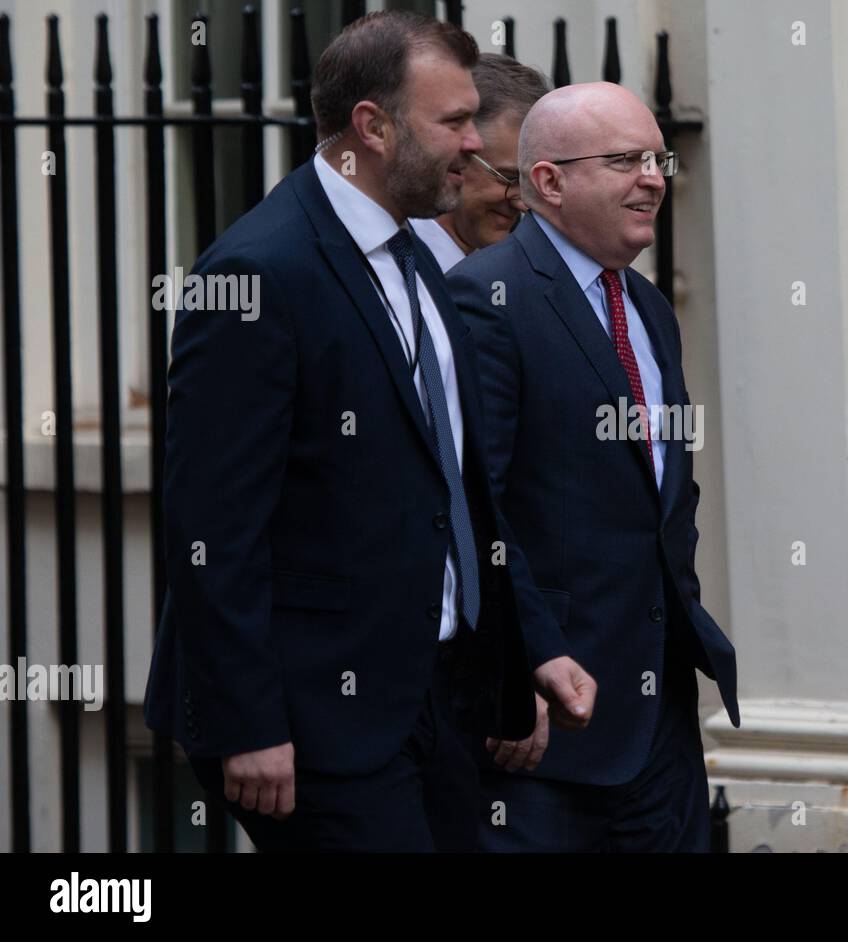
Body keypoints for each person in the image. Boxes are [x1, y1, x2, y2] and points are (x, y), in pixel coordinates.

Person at [143, 10, 595, 852]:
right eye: (455, 121)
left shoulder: (416, 255)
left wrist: (534, 641)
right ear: (373, 127)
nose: (476, 144)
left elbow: (460, 487)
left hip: (436, 701)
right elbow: (213, 524)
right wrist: (248, 721)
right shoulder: (256, 274)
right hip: (316, 721)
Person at [447, 82, 740, 853]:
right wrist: (523, 666)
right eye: (625, 161)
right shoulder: (487, 299)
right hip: (548, 738)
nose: (654, 177)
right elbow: (477, 509)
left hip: (660, 726)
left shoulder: (645, 308)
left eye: (657, 158)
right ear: (547, 181)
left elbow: (665, 493)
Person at [411, 53, 548, 272]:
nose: (523, 204)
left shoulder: (513, 276)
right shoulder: (395, 265)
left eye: (532, 185)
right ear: (457, 153)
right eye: (510, 178)